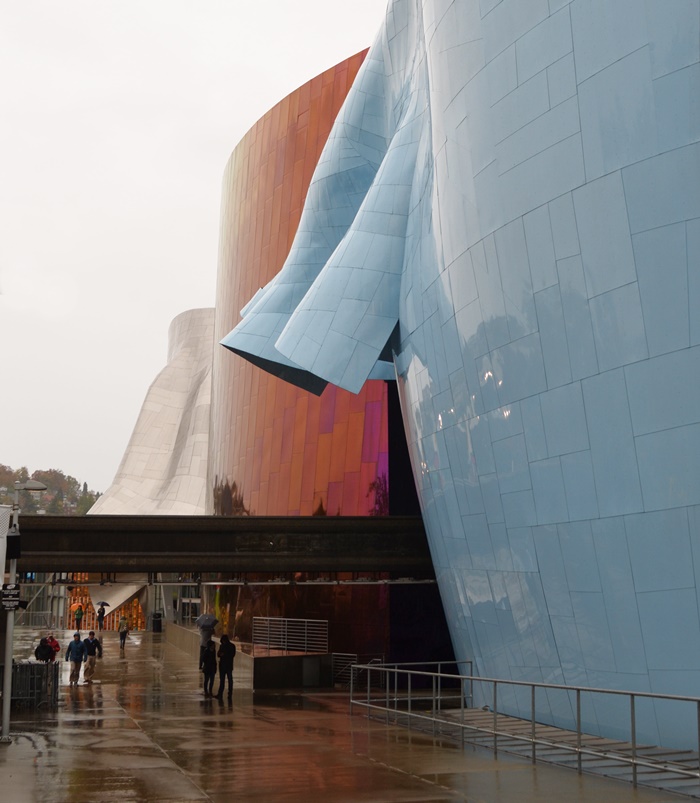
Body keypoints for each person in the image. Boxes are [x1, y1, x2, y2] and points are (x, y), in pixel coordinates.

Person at [215, 634, 236, 701]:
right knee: (230, 680)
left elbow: (219, 654)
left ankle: (220, 694)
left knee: (222, 681)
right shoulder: (232, 646)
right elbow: (232, 655)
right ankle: (229, 694)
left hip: (223, 666)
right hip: (229, 666)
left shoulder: (223, 646)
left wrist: (223, 654)